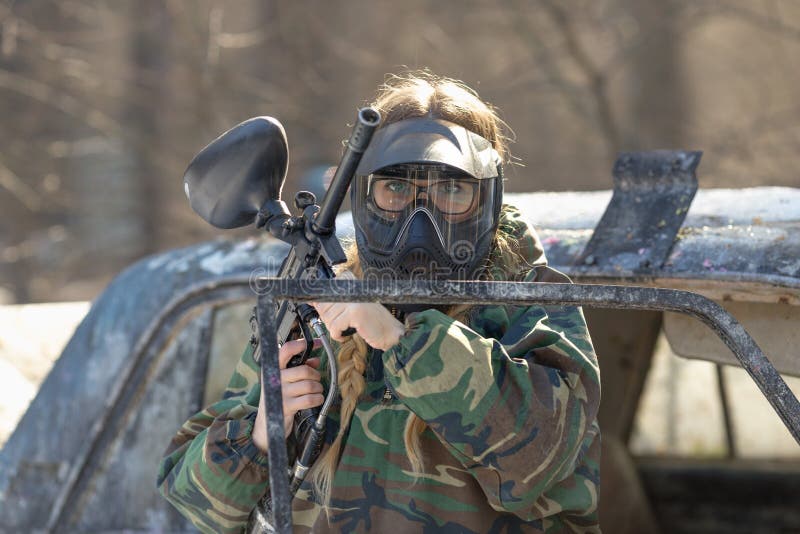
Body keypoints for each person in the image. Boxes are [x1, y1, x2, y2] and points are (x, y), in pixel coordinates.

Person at [157, 72, 601, 533]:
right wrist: (262, 435)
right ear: (364, 196)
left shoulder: (529, 301)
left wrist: (396, 337)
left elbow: (540, 460)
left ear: (486, 196)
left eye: (451, 191)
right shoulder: (316, 314)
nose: (419, 220)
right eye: (395, 190)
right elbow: (193, 503)